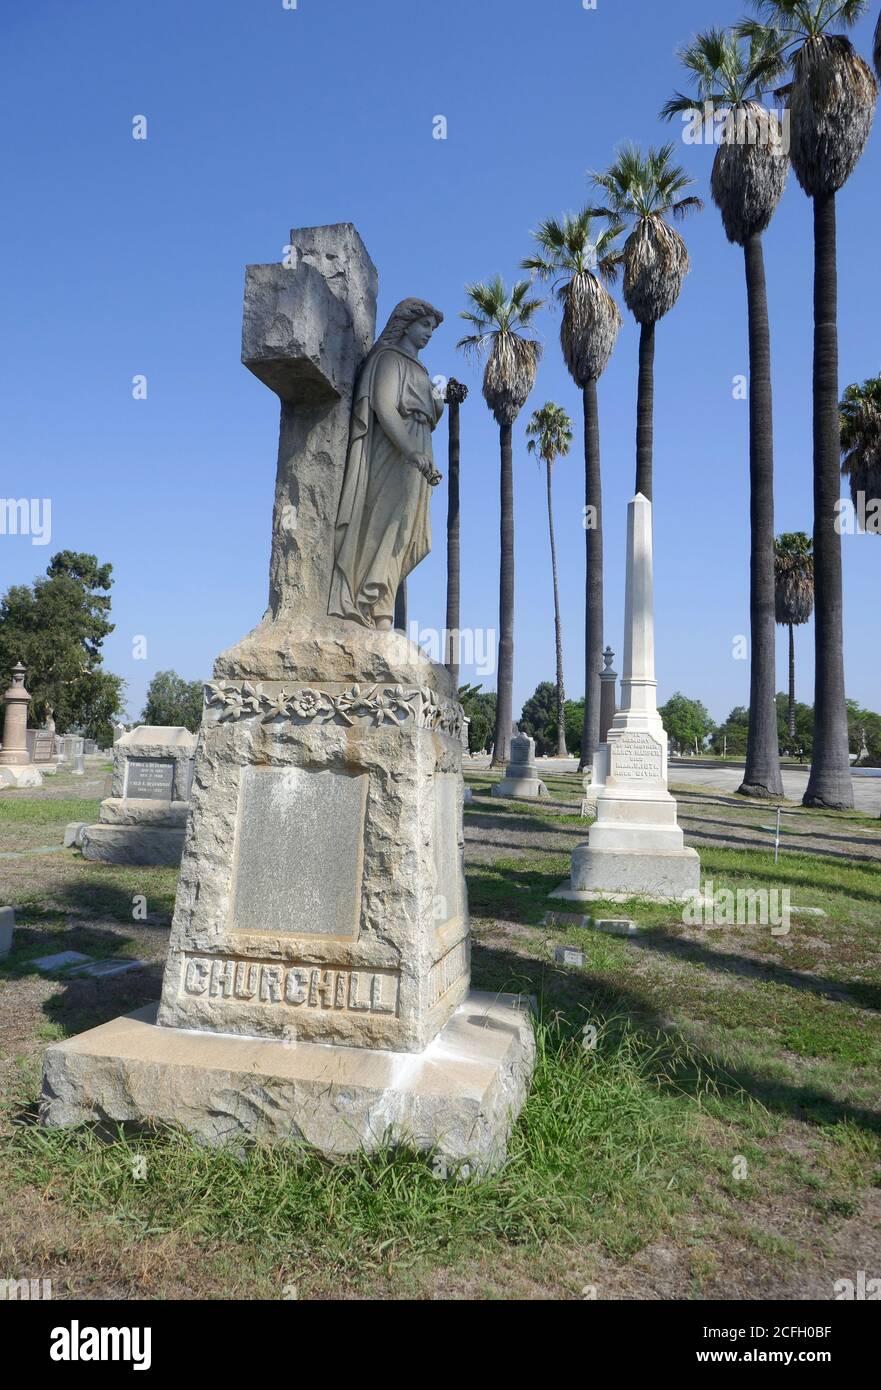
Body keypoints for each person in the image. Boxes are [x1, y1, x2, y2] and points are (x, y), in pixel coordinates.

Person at [329, 298, 444, 629]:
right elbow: (384, 405)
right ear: (405, 324)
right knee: (385, 523)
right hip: (395, 453)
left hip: (418, 456)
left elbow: (430, 413)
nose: (429, 334)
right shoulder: (390, 360)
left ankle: (382, 609)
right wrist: (411, 451)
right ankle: (370, 604)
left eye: (432, 329)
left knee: (407, 533)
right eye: (425, 325)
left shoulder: (420, 370)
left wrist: (440, 401)